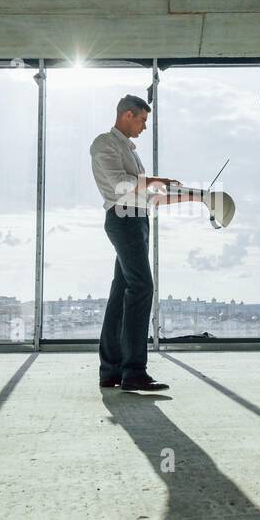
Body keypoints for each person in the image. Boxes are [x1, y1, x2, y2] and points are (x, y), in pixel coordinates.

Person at [89, 94, 194, 391]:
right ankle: (133, 372)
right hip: (124, 221)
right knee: (141, 287)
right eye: (143, 120)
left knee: (122, 291)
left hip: (136, 220)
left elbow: (144, 194)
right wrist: (157, 180)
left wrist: (187, 196)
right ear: (128, 115)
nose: (144, 127)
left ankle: (111, 371)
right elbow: (120, 184)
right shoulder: (104, 144)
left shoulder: (129, 150)